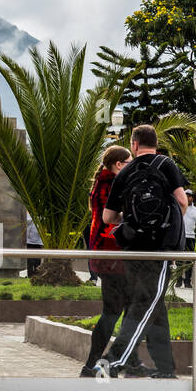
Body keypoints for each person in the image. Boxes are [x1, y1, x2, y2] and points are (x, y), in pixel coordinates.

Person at [95, 125, 188, 379]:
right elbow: (182, 201)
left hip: (132, 249)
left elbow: (108, 217)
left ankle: (166, 369)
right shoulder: (166, 164)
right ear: (155, 143)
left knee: (153, 305)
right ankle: (113, 362)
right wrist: (166, 225)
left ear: (134, 145)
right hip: (159, 250)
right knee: (146, 304)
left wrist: (135, 219)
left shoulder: (126, 173)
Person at [81, 146, 133, 376]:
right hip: (113, 256)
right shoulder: (113, 185)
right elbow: (112, 219)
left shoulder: (102, 182)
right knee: (115, 312)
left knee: (118, 311)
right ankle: (98, 364)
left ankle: (105, 363)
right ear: (119, 164)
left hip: (107, 256)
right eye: (130, 162)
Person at [179, 189, 196, 287]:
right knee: (179, 260)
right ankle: (178, 280)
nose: (187, 198)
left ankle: (187, 282)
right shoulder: (179, 207)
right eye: (186, 195)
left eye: (189, 196)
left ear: (192, 198)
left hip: (190, 238)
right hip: (180, 237)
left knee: (190, 261)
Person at [25, 212, 43, 278]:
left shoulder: (41, 216)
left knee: (37, 260)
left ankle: (37, 274)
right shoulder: (26, 216)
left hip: (39, 242)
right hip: (29, 241)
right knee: (30, 260)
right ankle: (30, 275)